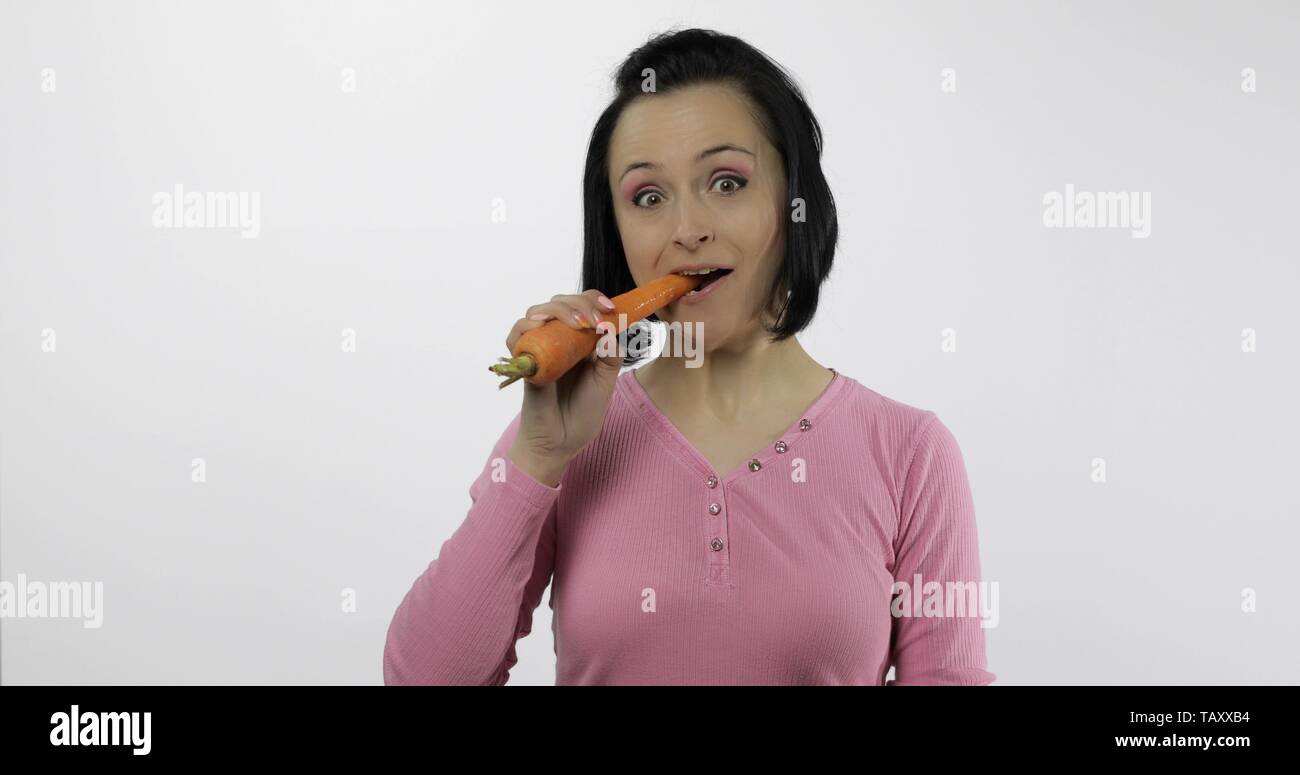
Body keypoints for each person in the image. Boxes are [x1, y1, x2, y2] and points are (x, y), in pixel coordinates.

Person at [384, 27, 994, 685]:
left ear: (794, 202)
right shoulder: (563, 438)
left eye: (727, 182)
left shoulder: (911, 451)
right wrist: (536, 459)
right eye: (648, 197)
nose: (686, 228)